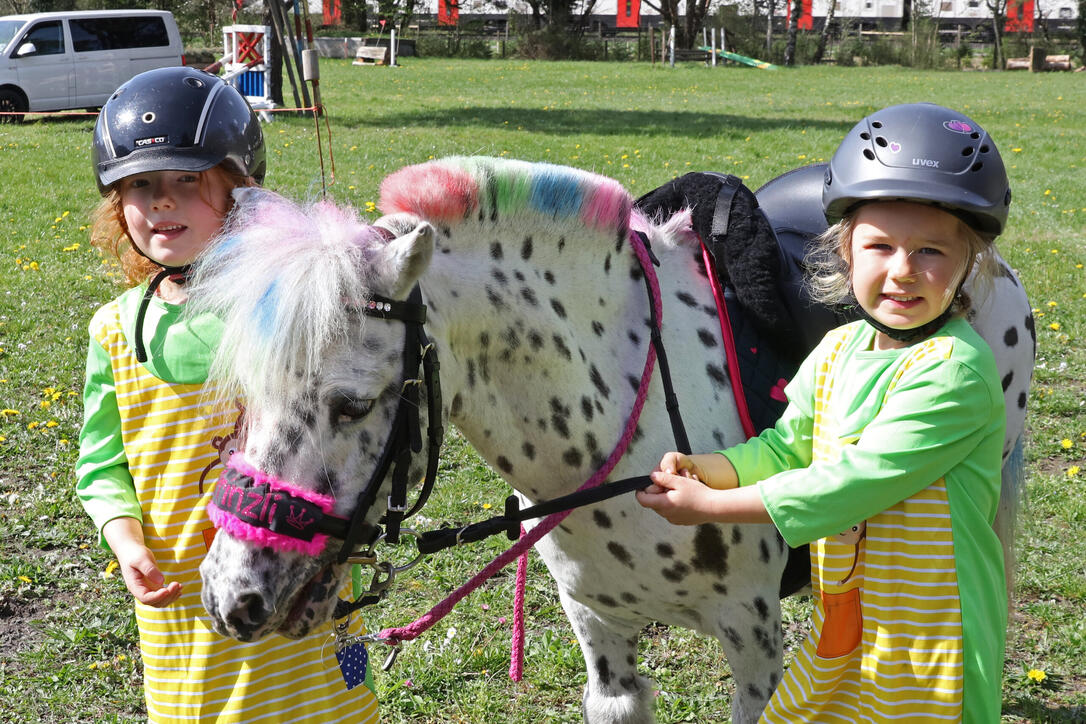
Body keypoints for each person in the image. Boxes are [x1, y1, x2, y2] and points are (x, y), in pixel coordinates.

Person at [637, 102, 1009, 723]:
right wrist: (714, 469)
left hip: (929, 638)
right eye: (881, 245)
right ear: (845, 249)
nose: (902, 271)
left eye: (931, 253)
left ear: (968, 260)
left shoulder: (954, 371)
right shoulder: (840, 348)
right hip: (849, 615)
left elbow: (849, 486)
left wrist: (709, 508)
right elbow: (787, 448)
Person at [75, 67, 379, 723]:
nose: (162, 204)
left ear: (241, 192)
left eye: (188, 181)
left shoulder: (292, 313)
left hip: (294, 577)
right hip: (180, 603)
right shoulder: (116, 332)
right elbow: (101, 469)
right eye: (141, 186)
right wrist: (128, 545)